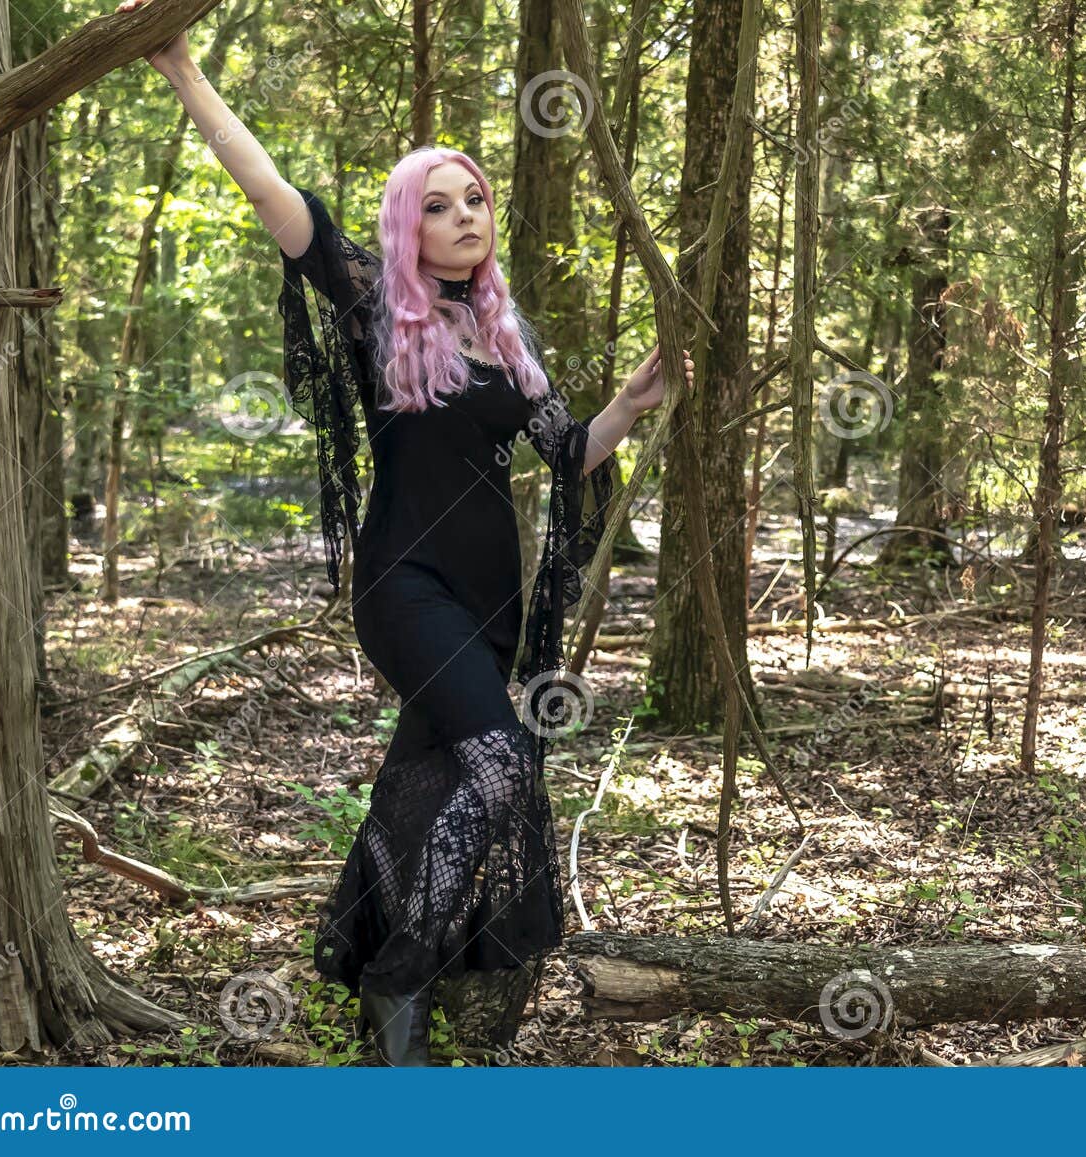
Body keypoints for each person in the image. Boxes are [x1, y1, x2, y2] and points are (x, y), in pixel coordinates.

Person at [117, 0, 693, 1065]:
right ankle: (398, 984)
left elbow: (569, 453)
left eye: (475, 197)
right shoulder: (377, 309)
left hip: (490, 608)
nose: (467, 214)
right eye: (441, 205)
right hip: (407, 586)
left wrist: (633, 402)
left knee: (426, 786)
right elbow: (273, 195)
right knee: (501, 764)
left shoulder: (503, 335)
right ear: (403, 227)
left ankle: (366, 962)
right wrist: (184, 72)